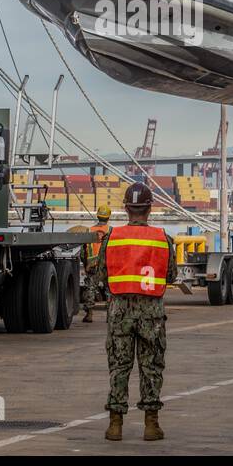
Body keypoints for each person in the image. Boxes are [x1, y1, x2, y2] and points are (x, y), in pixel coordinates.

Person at [95, 182, 176, 441]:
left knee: (120, 366)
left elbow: (101, 275)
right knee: (151, 366)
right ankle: (151, 425)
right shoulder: (163, 238)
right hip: (151, 313)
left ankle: (115, 425)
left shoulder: (112, 238)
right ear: (149, 208)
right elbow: (171, 275)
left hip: (120, 312)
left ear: (126, 208)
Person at [80, 205, 112, 323]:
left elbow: (83, 251)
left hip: (92, 264)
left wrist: (85, 263)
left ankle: (89, 314)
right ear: (108, 217)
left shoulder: (89, 230)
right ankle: (110, 315)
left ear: (97, 216)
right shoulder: (111, 231)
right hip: (107, 264)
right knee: (109, 290)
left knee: (90, 289)